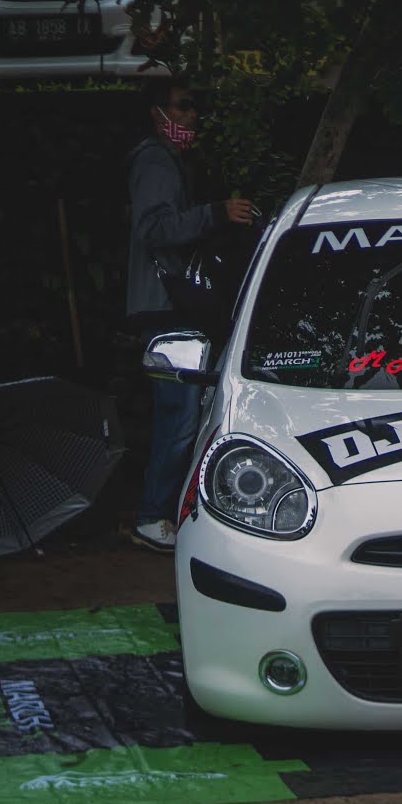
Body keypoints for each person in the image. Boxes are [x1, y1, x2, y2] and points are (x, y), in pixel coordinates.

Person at [126, 77, 252, 553]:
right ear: (158, 114)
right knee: (179, 414)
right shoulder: (155, 160)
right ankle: (154, 516)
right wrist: (216, 214)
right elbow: (153, 228)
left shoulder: (167, 161)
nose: (192, 116)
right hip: (166, 307)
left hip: (166, 305)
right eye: (184, 107)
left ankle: (164, 514)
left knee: (183, 412)